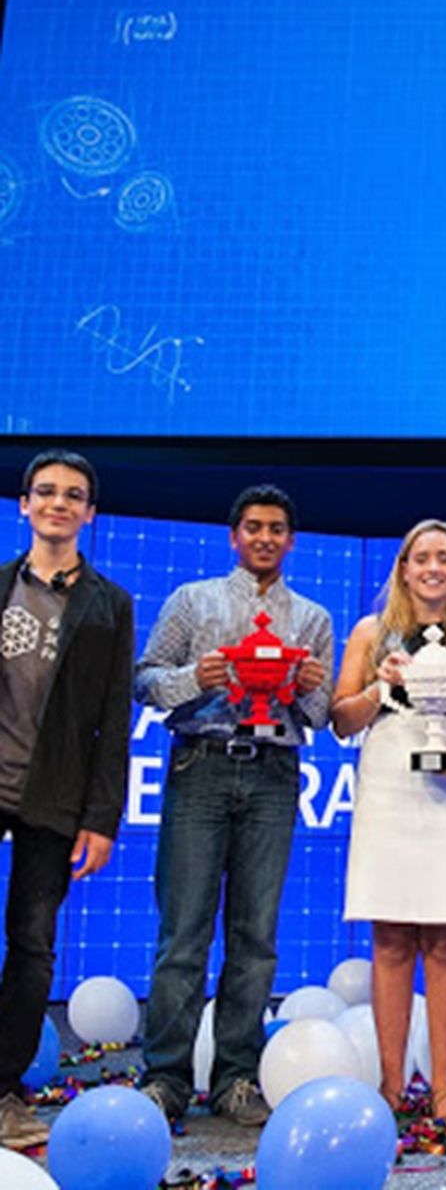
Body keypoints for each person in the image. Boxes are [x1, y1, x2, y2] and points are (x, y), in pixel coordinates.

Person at [135, 484, 333, 1126]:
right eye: (253, 527)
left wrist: (305, 691)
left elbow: (323, 715)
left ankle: (236, 1078)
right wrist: (199, 678)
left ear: (291, 541)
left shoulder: (312, 619)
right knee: (184, 933)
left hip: (276, 772)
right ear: (234, 536)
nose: (265, 538)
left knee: (255, 938)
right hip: (202, 765)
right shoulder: (193, 601)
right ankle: (165, 1077)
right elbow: (145, 679)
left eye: (277, 528)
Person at [331, 519, 446, 1119]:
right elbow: (342, 720)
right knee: (389, 941)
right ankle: (389, 1086)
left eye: (445, 558)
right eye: (422, 558)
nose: (433, 568)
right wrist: (381, 690)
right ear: (403, 567)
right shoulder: (369, 633)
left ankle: (443, 1089)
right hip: (389, 794)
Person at [0, 450, 133, 1149]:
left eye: (72, 495)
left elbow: (113, 724)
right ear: (24, 504)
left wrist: (101, 819)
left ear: (89, 513)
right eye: (45, 491)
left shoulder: (110, 605)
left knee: (32, 947)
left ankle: (2, 1092)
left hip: (54, 799)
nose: (58, 503)